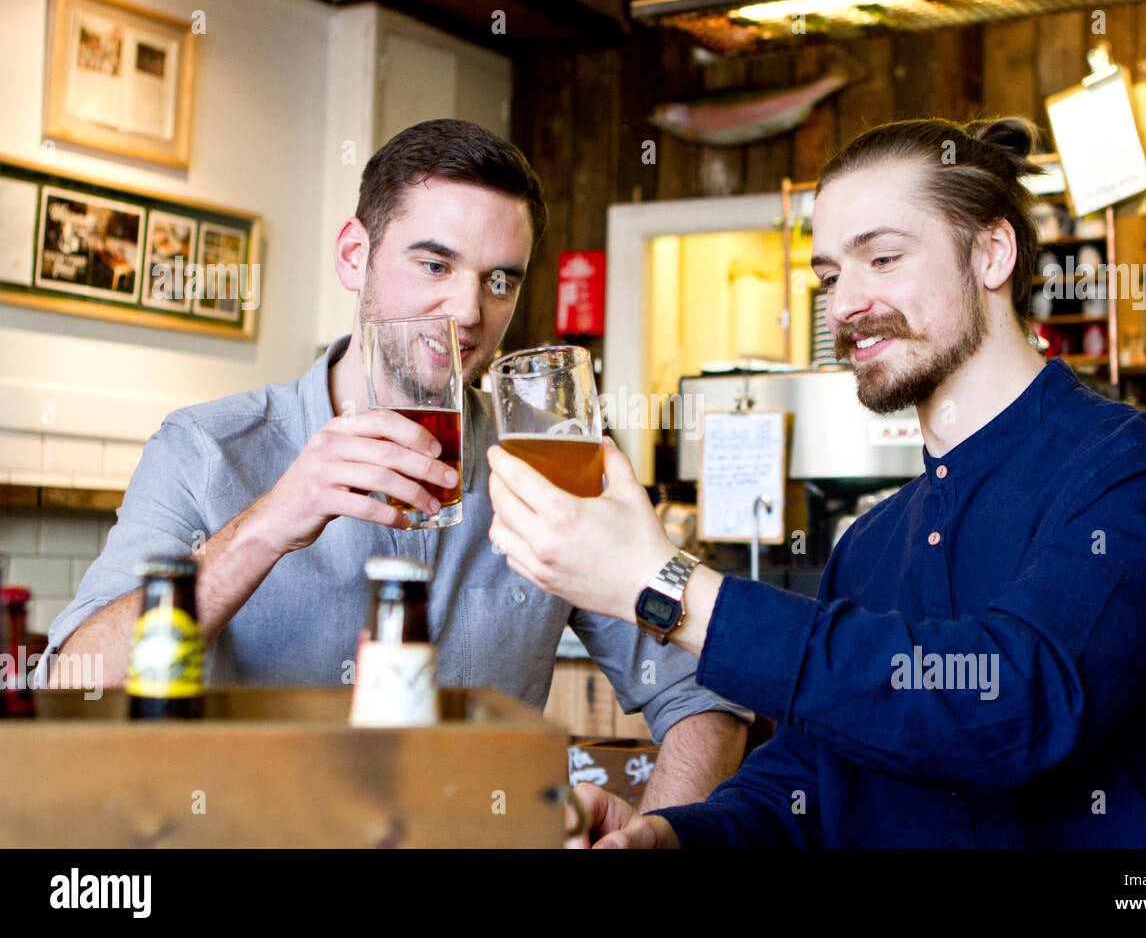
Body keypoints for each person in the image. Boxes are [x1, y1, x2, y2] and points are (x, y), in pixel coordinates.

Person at [486, 116, 1146, 847]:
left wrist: (665, 585)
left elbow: (1008, 704)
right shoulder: (870, 542)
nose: (848, 304)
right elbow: (808, 784)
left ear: (992, 254)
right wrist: (674, 836)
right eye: (830, 275)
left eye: (884, 258)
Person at [42, 119, 751, 809]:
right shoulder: (205, 449)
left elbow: (703, 696)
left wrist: (664, 836)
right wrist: (264, 528)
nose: (468, 310)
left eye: (500, 280)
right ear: (355, 255)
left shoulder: (546, 465)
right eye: (435, 264)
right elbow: (70, 690)